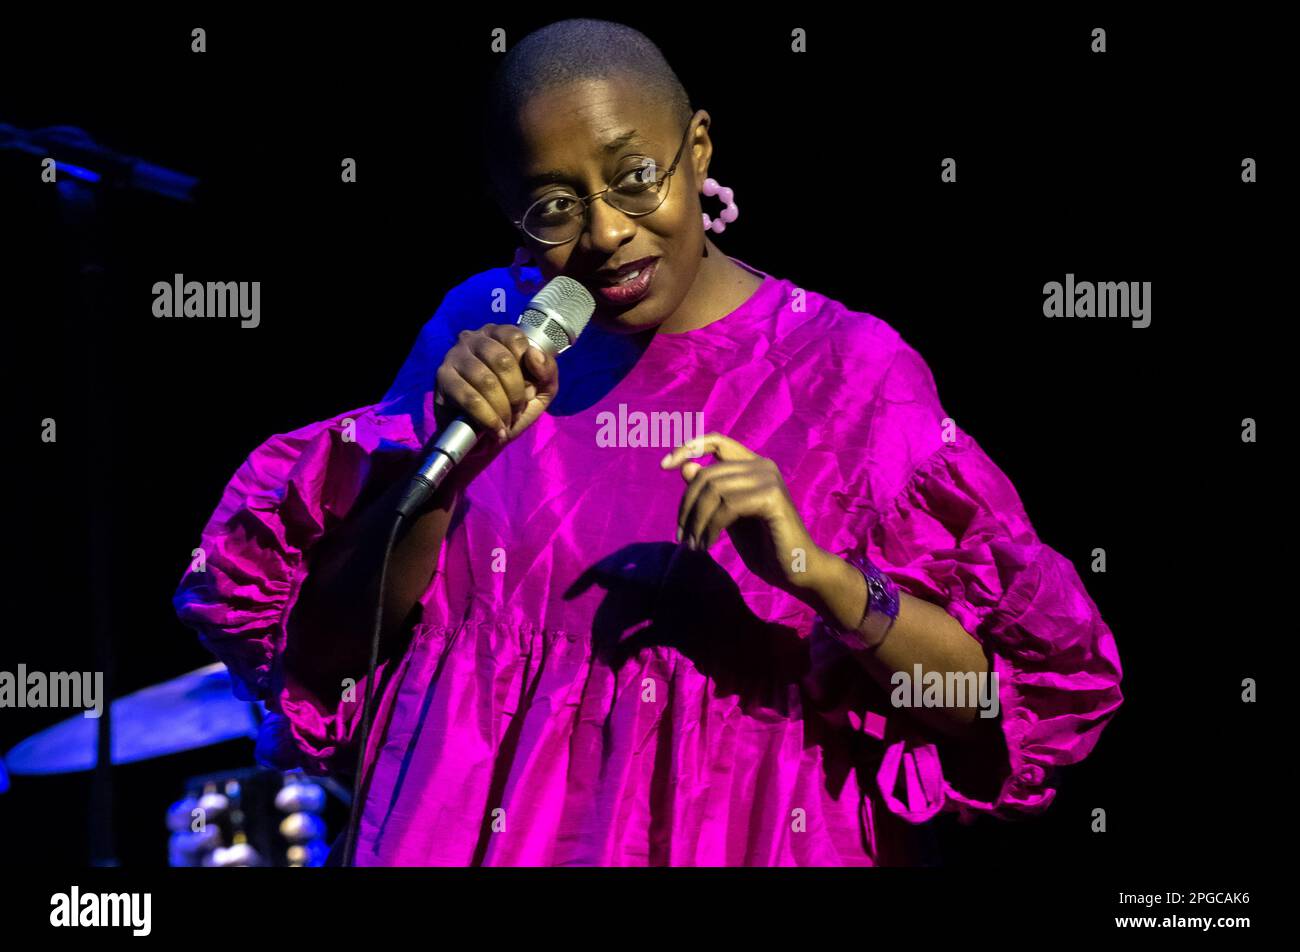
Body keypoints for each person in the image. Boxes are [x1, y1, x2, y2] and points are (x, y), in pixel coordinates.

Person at [174, 19, 1122, 865]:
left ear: (698, 148)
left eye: (635, 178)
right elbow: (333, 657)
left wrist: (817, 575)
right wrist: (451, 465)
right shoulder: (483, 330)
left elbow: (996, 707)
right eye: (553, 207)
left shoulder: (849, 373)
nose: (608, 233)